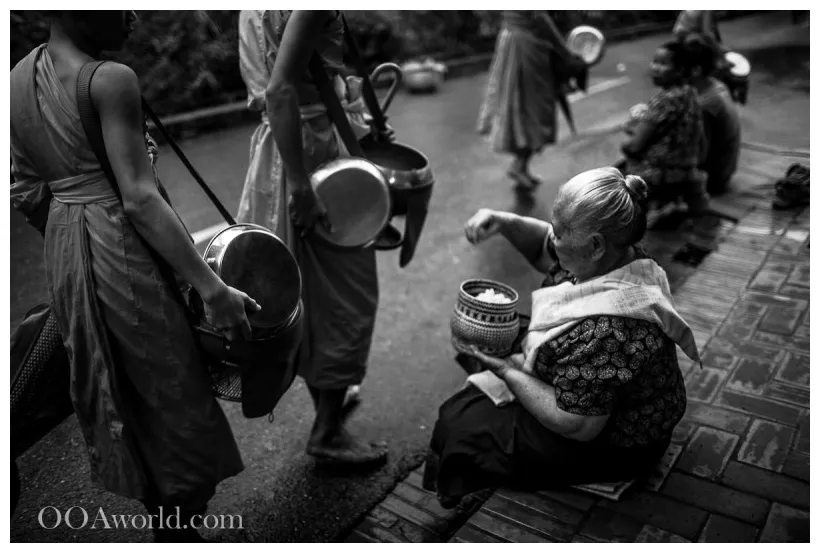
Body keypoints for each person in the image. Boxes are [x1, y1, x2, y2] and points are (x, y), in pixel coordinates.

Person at [10, 11, 256, 542]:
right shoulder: (110, 79)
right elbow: (141, 200)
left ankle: (163, 520)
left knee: (122, 388)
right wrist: (212, 289)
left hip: (69, 249)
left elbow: (26, 190)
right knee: (169, 391)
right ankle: (178, 531)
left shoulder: (13, 82)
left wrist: (72, 234)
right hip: (124, 252)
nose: (134, 14)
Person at [423, 168, 701, 508]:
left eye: (558, 233)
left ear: (595, 245)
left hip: (614, 443)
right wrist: (504, 222)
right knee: (496, 346)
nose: (552, 240)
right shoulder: (615, 254)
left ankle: (464, 476)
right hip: (582, 390)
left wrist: (507, 372)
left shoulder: (612, 330)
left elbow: (578, 424)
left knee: (461, 423)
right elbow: (545, 248)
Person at [236, 10, 388, 465]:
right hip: (310, 156)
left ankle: (330, 404)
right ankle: (326, 432)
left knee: (311, 294)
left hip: (278, 149)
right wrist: (302, 186)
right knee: (348, 298)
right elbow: (282, 88)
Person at [476, 11, 585, 194]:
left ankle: (521, 167)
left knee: (522, 111)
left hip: (512, 47)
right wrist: (567, 54)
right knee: (534, 114)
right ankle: (518, 166)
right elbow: (543, 22)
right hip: (528, 54)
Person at [621, 41, 709, 215]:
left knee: (609, 185)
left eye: (662, 64)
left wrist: (630, 131)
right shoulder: (691, 94)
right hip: (688, 169)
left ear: (680, 70)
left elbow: (634, 146)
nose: (654, 67)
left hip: (661, 177)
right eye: (654, 61)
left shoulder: (664, 101)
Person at [688, 37, 741, 196]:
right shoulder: (717, 85)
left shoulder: (704, 104)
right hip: (726, 168)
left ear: (696, 70)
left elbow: (699, 155)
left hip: (713, 180)